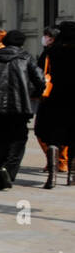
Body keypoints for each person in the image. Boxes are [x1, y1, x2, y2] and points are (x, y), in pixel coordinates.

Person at [0, 30, 45, 189]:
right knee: (19, 140)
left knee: (1, 142)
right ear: (22, 42)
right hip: (19, 106)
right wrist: (34, 93)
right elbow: (40, 79)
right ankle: (8, 170)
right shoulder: (26, 57)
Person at [33, 22, 75, 187]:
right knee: (73, 138)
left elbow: (40, 73)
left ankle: (52, 176)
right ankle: (71, 175)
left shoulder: (51, 52)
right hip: (73, 101)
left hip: (54, 100)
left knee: (52, 137)